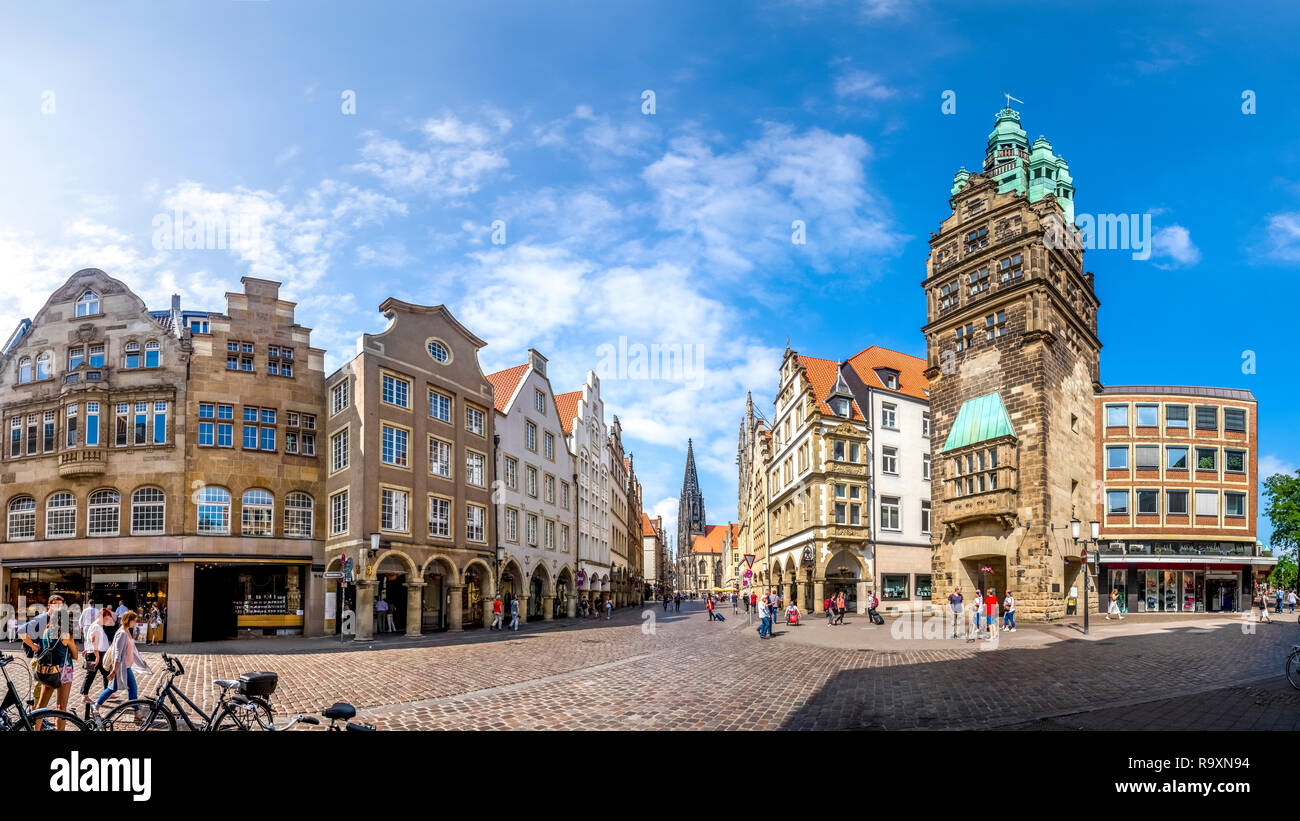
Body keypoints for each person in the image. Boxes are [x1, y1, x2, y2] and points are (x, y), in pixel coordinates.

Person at [22, 595, 79, 728]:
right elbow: (75, 655)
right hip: (64, 670)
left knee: (41, 706)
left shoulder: (45, 631)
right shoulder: (66, 635)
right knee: (61, 707)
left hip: (48, 670)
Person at [96, 610, 152, 721]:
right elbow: (118, 654)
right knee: (126, 688)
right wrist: (114, 671)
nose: (135, 623)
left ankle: (136, 712)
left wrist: (141, 662)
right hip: (122, 667)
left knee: (115, 688)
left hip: (126, 666)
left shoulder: (127, 631)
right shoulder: (121, 633)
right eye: (134, 621)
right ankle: (137, 712)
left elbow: (133, 650)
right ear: (128, 620)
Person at [82, 607, 113, 710]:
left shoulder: (97, 626)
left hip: (96, 653)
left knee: (106, 673)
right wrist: (97, 656)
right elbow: (94, 641)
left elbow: (91, 640)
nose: (107, 621)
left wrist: (87, 649)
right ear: (101, 617)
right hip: (96, 654)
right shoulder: (96, 627)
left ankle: (108, 692)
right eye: (106, 619)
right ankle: (84, 696)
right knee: (90, 675)